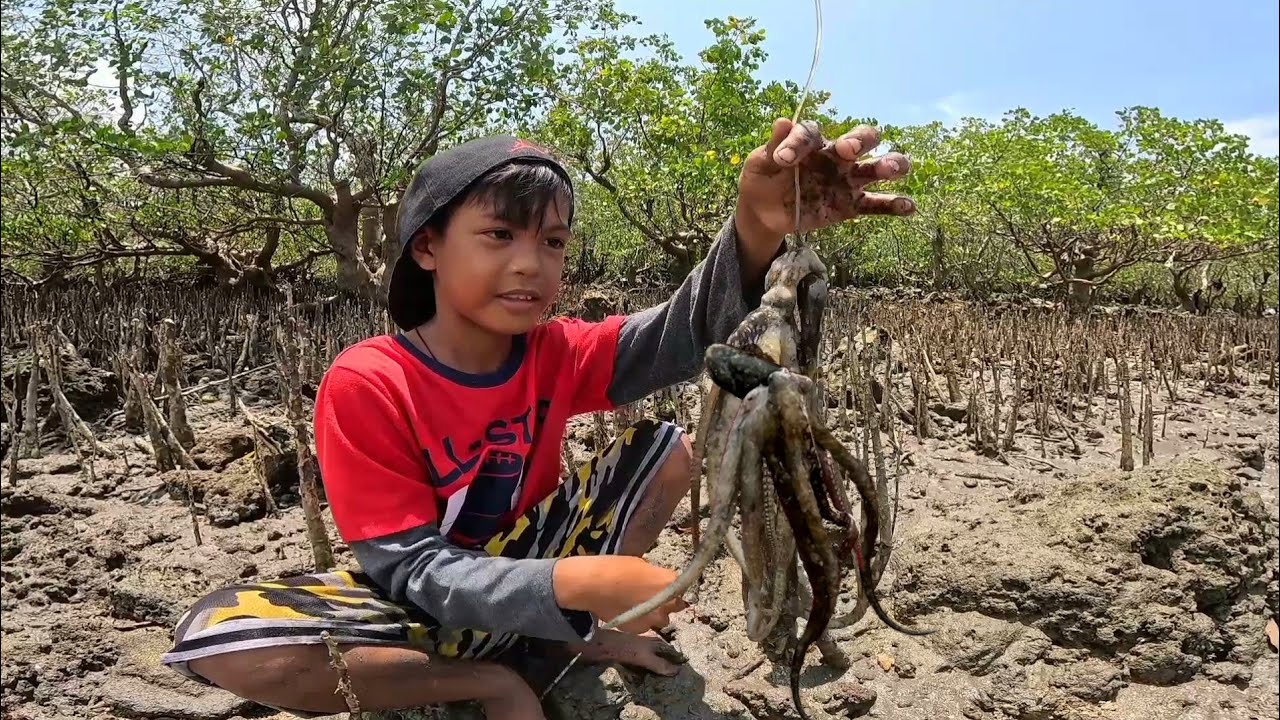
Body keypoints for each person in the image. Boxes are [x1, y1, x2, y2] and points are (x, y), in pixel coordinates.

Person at [159, 118, 915, 720]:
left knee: (668, 450)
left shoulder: (554, 351)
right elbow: (412, 570)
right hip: (416, 601)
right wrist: (583, 583)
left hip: (533, 568)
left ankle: (562, 638)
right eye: (499, 236)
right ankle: (484, 677)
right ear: (427, 246)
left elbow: (683, 332)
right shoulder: (370, 380)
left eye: (551, 242)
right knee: (225, 638)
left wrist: (757, 223)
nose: (531, 264)